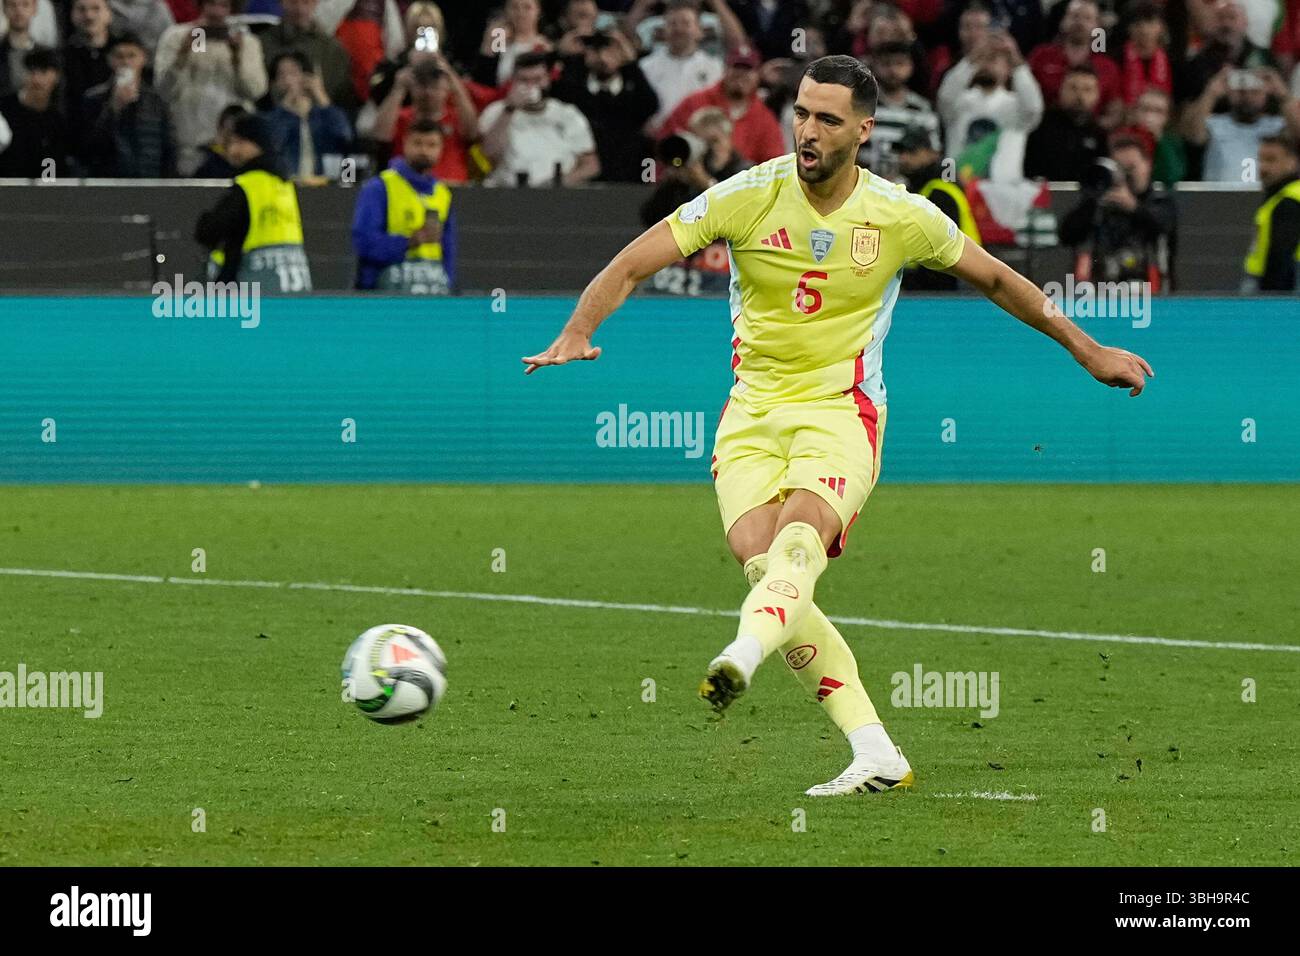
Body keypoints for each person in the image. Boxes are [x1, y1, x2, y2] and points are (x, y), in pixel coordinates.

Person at [522, 55, 1152, 796]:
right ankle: (875, 750)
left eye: (826, 118)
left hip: (840, 414)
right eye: (800, 112)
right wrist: (576, 327)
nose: (807, 130)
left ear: (863, 128)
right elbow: (633, 263)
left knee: (797, 546)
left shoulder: (900, 214)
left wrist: (1089, 350)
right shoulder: (748, 195)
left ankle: (741, 656)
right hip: (749, 419)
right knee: (771, 576)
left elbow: (999, 281)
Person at [194, 112, 312, 291]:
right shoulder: (285, 185)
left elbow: (209, 231)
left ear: (256, 144)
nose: (232, 150)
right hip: (293, 288)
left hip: (254, 292)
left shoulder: (249, 185)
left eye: (238, 142)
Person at [155, 0, 269, 175]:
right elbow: (164, 91)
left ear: (232, 9)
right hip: (190, 142)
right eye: (211, 4)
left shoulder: (246, 42)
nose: (217, 12)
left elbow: (256, 91)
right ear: (201, 5)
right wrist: (183, 54)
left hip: (234, 145)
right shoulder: (178, 36)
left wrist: (238, 57)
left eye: (224, 6)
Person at [1058, 131, 1177, 289]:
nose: (1126, 175)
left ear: (1147, 165)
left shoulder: (1158, 199)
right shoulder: (1099, 202)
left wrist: (1133, 207)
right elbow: (1067, 235)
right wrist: (1094, 202)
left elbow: (1162, 225)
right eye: (1121, 169)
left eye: (1131, 168)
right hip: (1101, 289)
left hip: (1148, 288)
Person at [351, 117, 456, 294]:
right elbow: (364, 243)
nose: (424, 150)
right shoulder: (380, 187)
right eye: (418, 143)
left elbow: (449, 251)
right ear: (405, 143)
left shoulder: (443, 194)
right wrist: (410, 241)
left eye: (431, 145)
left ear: (441, 150)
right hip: (387, 292)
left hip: (433, 291)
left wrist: (449, 286)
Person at [552, 30, 659, 183]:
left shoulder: (633, 93)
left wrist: (631, 63)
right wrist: (561, 55)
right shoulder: (575, 92)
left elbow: (650, 106)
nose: (602, 57)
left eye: (610, 51)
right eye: (595, 51)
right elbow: (554, 93)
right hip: (585, 178)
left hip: (629, 176)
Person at [479, 51, 598, 187]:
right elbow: (490, 153)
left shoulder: (568, 114)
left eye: (537, 80)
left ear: (548, 79)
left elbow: (591, 164)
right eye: (524, 80)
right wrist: (510, 110)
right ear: (513, 81)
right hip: (510, 193)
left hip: (558, 195)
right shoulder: (496, 112)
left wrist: (561, 182)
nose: (531, 86)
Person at [657, 43, 783, 166]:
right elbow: (665, 140)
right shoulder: (695, 102)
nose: (740, 75)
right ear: (725, 70)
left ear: (757, 75)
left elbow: (774, 165)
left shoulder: (765, 120)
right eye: (736, 68)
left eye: (747, 70)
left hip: (740, 183)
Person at [895, 124, 981, 290]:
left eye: (912, 152)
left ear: (932, 154)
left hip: (953, 289)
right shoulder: (922, 188)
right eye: (901, 152)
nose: (904, 158)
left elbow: (942, 256)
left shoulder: (940, 192)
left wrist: (910, 287)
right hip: (948, 284)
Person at [79, 31, 175, 176]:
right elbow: (88, 147)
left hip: (149, 181)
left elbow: (168, 147)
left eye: (131, 56)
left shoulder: (157, 100)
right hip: (108, 182)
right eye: (119, 56)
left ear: (143, 58)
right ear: (110, 60)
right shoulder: (93, 98)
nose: (125, 62)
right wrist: (113, 108)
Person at [1184, 65, 1289, 182]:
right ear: (1229, 92)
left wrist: (1283, 95)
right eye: (1241, 91)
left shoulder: (1277, 126)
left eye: (1255, 91)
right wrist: (1211, 93)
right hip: (1219, 197)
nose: (1247, 96)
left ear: (1266, 93)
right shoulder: (1215, 124)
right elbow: (1194, 136)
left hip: (1265, 197)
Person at [1026, 0, 1122, 128]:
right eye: (1075, 16)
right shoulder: (1041, 56)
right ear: (1063, 21)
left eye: (1087, 18)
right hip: (1042, 129)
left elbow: (1114, 107)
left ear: (1097, 26)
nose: (1080, 23)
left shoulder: (1107, 66)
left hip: (1089, 133)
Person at [262, 50, 352, 177]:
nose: (288, 80)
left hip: (326, 184)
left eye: (293, 73)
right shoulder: (271, 118)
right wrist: (285, 110)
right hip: (288, 184)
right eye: (281, 75)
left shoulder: (325, 114)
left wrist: (321, 96)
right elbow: (271, 146)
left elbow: (344, 135)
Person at [259, 0, 357, 114]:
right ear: (281, 2)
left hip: (322, 123)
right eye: (293, 2)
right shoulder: (262, 44)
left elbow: (344, 101)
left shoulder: (333, 50)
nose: (300, 9)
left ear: (316, 3)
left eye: (306, 2)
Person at [862, 39, 939, 181]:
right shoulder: (863, 106)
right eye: (886, 64)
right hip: (866, 186)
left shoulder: (922, 108)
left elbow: (933, 153)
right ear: (875, 66)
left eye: (900, 64)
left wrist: (913, 161)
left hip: (909, 190)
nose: (893, 71)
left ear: (911, 66)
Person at [639, 0, 723, 128]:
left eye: (686, 23)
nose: (678, 29)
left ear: (699, 31)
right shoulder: (645, 67)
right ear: (663, 30)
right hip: (657, 139)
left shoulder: (715, 68)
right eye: (672, 23)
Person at [1024, 65, 1106, 181]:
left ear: (1097, 95)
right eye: (1073, 88)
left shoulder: (1099, 134)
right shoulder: (1038, 125)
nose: (1080, 96)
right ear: (1061, 90)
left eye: (1087, 89)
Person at [1242, 134, 1300, 291]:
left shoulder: (1289, 200)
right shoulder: (1279, 195)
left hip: (1278, 287)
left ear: (1292, 162)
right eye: (1260, 159)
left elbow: (1281, 255)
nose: (1263, 167)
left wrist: (1272, 297)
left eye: (1271, 160)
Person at [0, 45, 64, 176]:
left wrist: (48, 188)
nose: (37, 80)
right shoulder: (4, 109)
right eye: (32, 72)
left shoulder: (56, 120)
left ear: (56, 76)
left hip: (40, 193)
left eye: (43, 72)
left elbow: (51, 165)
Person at [0, 0, 44, 101]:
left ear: (34, 8)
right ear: (4, 9)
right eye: (12, 5)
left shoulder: (46, 54)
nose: (19, 10)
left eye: (25, 4)